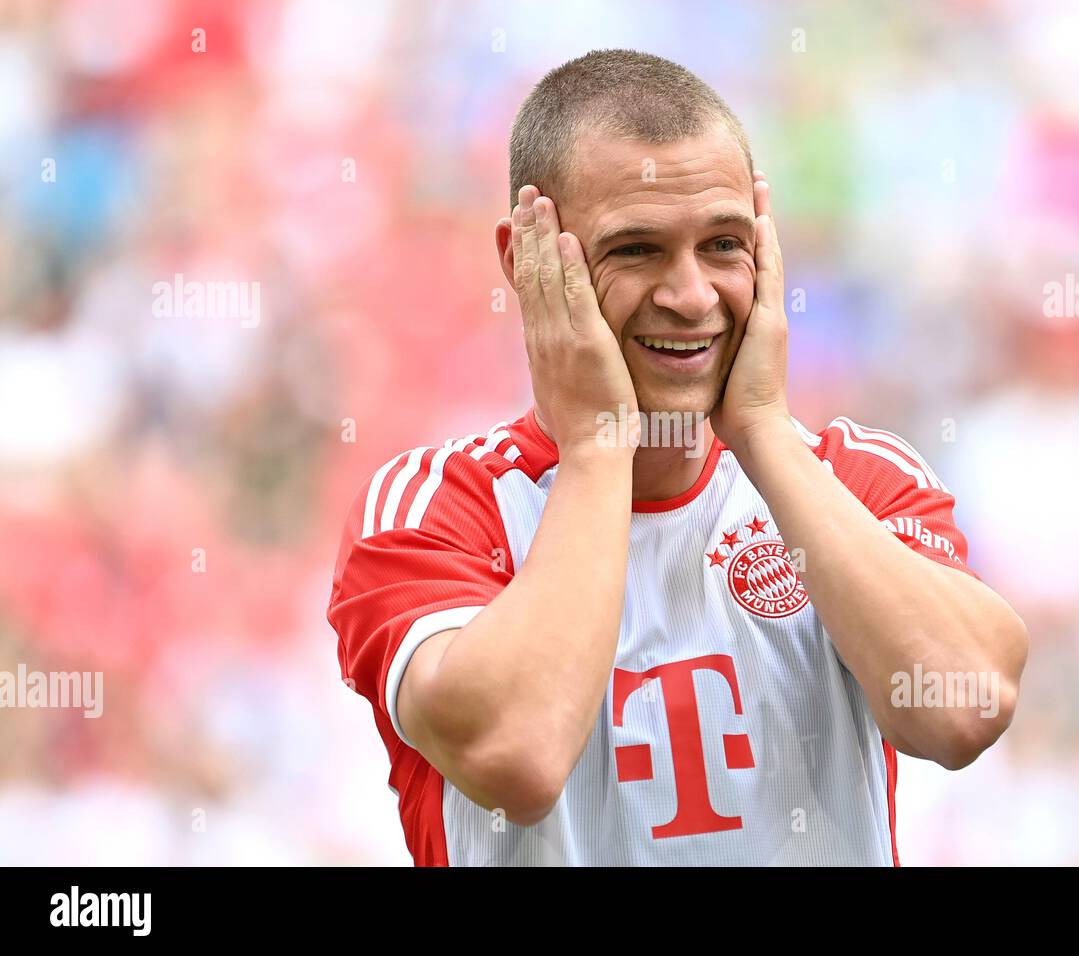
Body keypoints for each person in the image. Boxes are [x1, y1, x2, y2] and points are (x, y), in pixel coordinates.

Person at [327, 49, 1028, 865]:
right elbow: (516, 753)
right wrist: (597, 448)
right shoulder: (438, 510)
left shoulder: (856, 477)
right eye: (637, 250)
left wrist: (762, 428)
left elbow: (962, 711)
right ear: (525, 259)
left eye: (723, 245)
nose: (692, 296)